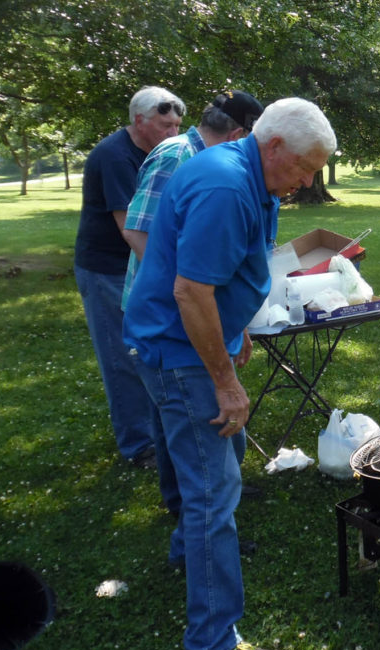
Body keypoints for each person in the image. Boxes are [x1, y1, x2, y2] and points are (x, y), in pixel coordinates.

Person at [123, 97, 336, 650]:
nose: (307, 182)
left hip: (184, 341)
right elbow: (191, 292)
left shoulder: (249, 176)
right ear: (274, 146)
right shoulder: (224, 186)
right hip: (178, 353)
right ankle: (212, 646)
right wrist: (224, 380)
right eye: (304, 167)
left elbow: (227, 275)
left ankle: (186, 552)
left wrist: (234, 332)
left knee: (218, 461)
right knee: (213, 494)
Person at [121, 89, 265, 516]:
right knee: (183, 409)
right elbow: (137, 231)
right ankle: (195, 506)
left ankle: (195, 500)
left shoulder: (217, 164)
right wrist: (188, 294)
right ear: (238, 135)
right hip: (166, 313)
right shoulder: (177, 155)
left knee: (177, 416)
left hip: (191, 307)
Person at [74, 86, 184, 470]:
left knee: (145, 349)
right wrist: (168, 280)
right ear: (139, 121)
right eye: (165, 125)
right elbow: (131, 229)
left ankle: (158, 431)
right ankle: (139, 445)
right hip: (106, 267)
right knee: (121, 355)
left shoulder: (159, 152)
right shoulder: (114, 156)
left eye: (177, 125)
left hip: (136, 265)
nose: (173, 133)